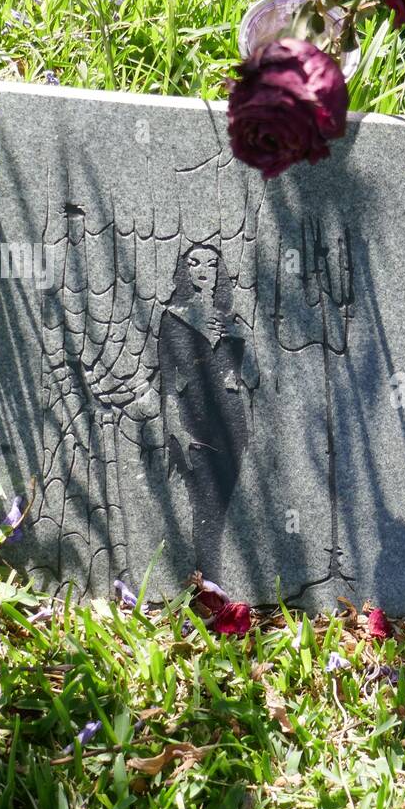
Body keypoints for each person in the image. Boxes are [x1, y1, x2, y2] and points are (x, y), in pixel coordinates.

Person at [158, 243, 258, 572]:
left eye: (212, 264)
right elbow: (168, 382)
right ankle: (206, 579)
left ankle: (211, 580)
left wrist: (232, 336)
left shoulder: (231, 321)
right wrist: (175, 428)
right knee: (203, 506)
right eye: (194, 263)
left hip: (231, 422)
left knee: (222, 507)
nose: (203, 269)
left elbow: (245, 376)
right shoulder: (173, 318)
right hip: (193, 422)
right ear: (184, 271)